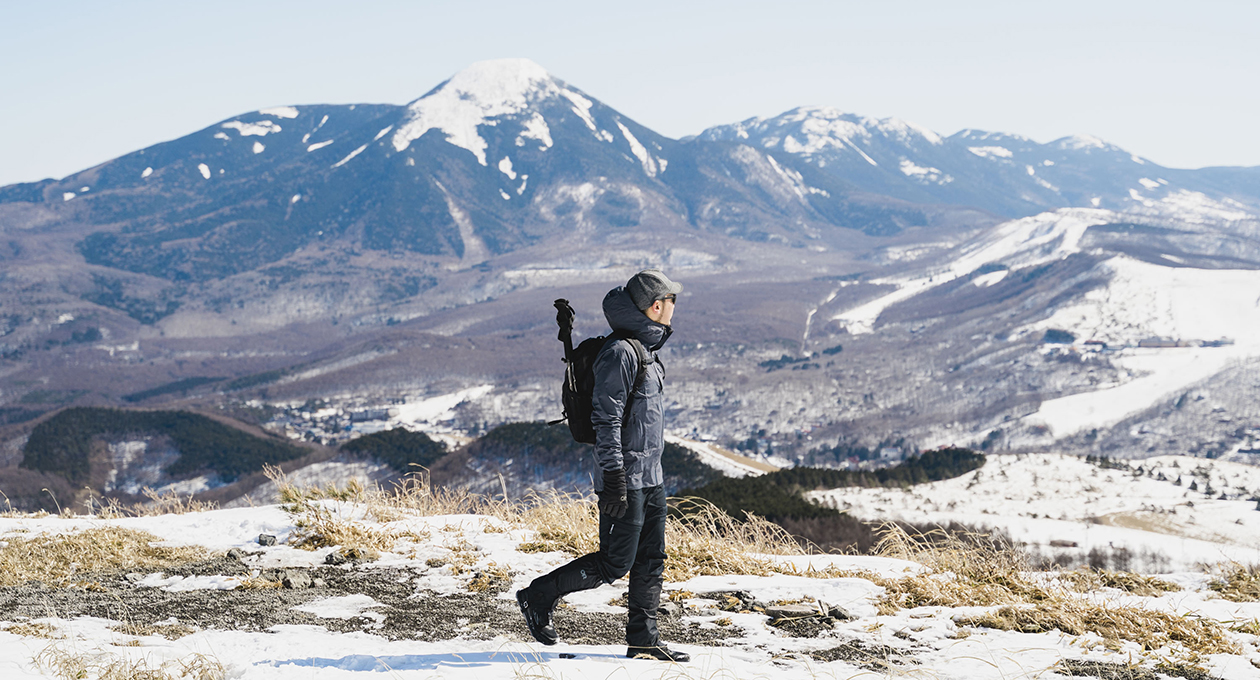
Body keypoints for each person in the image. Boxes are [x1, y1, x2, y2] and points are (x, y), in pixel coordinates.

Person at [517, 269, 689, 663]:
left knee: (651, 559)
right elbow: (605, 420)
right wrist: (613, 478)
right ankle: (537, 596)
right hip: (624, 479)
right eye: (672, 301)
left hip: (652, 478)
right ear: (656, 305)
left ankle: (644, 641)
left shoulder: (647, 352)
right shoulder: (621, 353)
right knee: (614, 563)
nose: (675, 308)